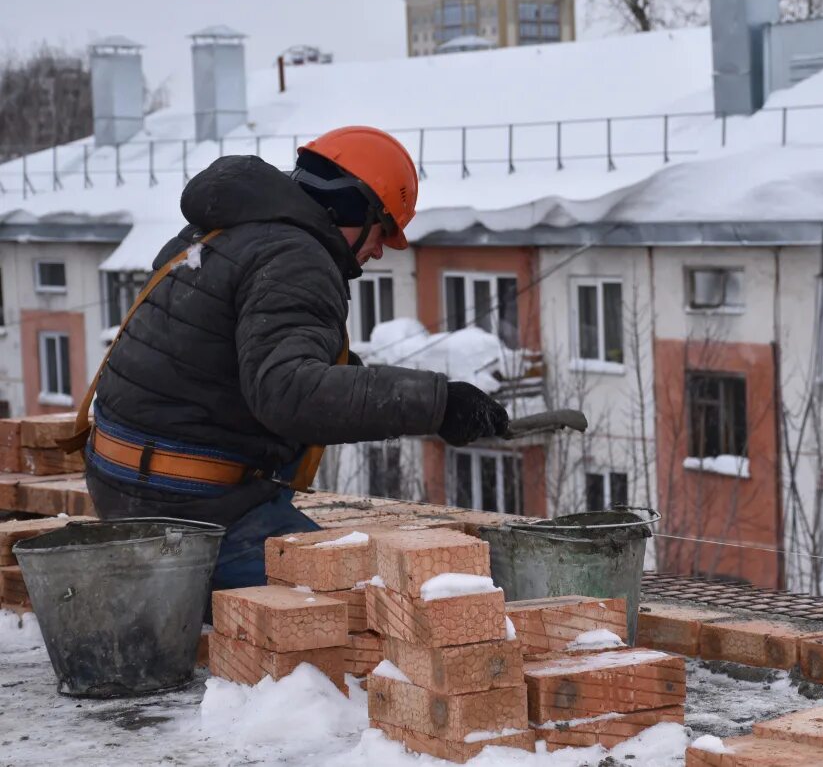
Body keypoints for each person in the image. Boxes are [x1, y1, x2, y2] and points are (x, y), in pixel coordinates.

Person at [80, 125, 509, 589]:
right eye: (381, 230)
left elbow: (280, 365)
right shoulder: (295, 256)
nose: (379, 250)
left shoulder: (229, 229)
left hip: (125, 480)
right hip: (188, 510)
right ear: (353, 206)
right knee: (375, 605)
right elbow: (290, 392)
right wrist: (438, 403)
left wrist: (433, 404)